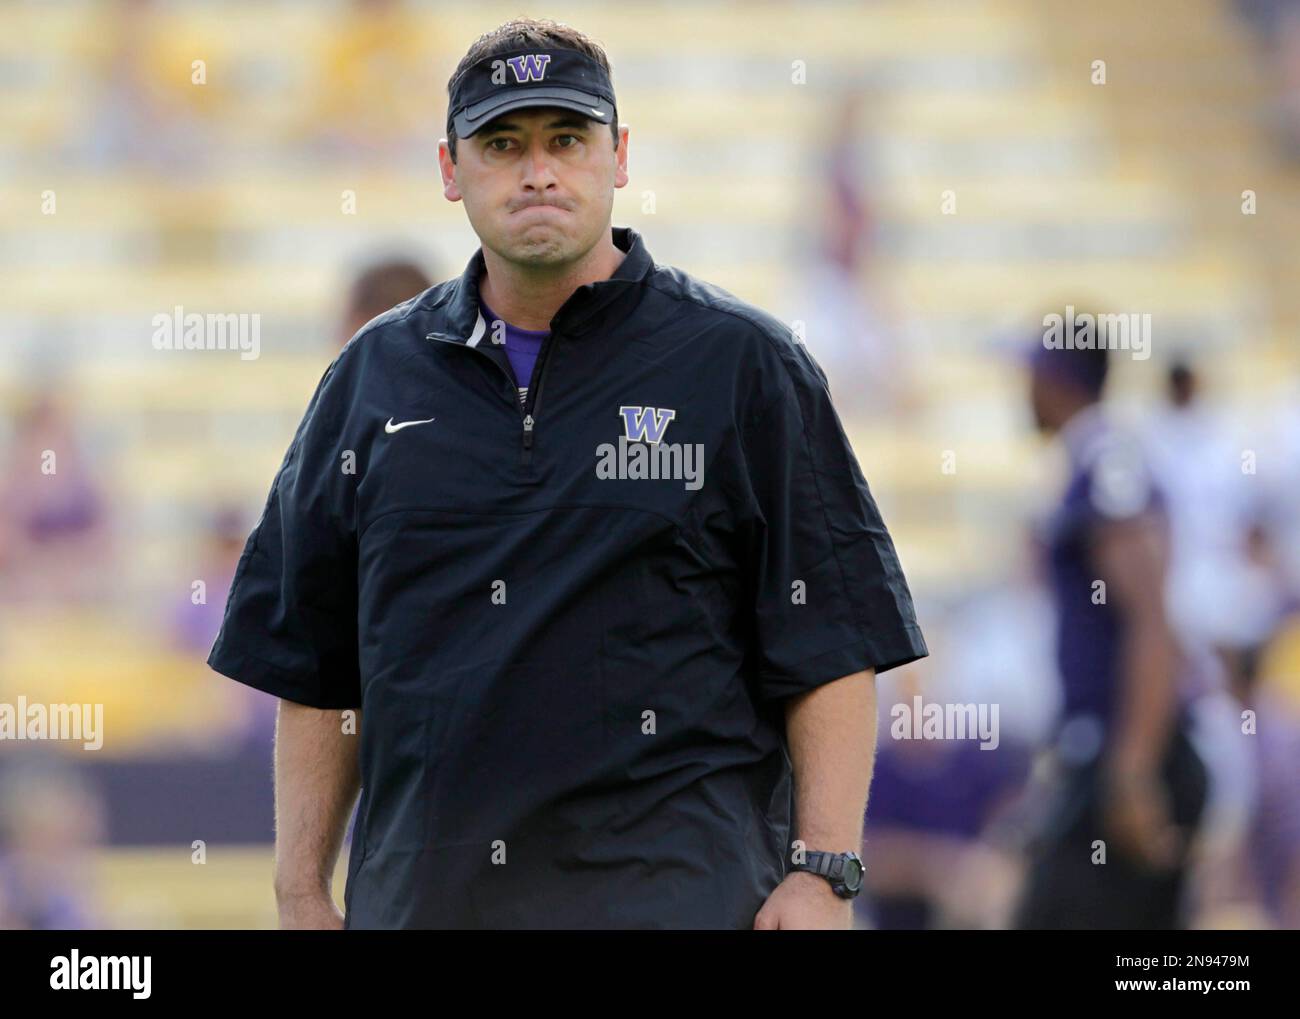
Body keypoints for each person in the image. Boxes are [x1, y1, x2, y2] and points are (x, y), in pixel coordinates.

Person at [208, 17, 927, 930]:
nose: (538, 171)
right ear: (448, 168)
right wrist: (300, 888)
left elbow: (831, 637)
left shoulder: (743, 365)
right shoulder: (368, 379)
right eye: (503, 144)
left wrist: (823, 870)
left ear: (618, 154)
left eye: (567, 139)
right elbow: (316, 665)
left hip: (683, 908)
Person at [1013, 321, 1209, 929]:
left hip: (1130, 750)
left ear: (1055, 379)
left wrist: (1133, 769)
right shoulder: (1096, 458)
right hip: (1120, 748)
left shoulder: (1104, 461)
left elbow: (1148, 619)